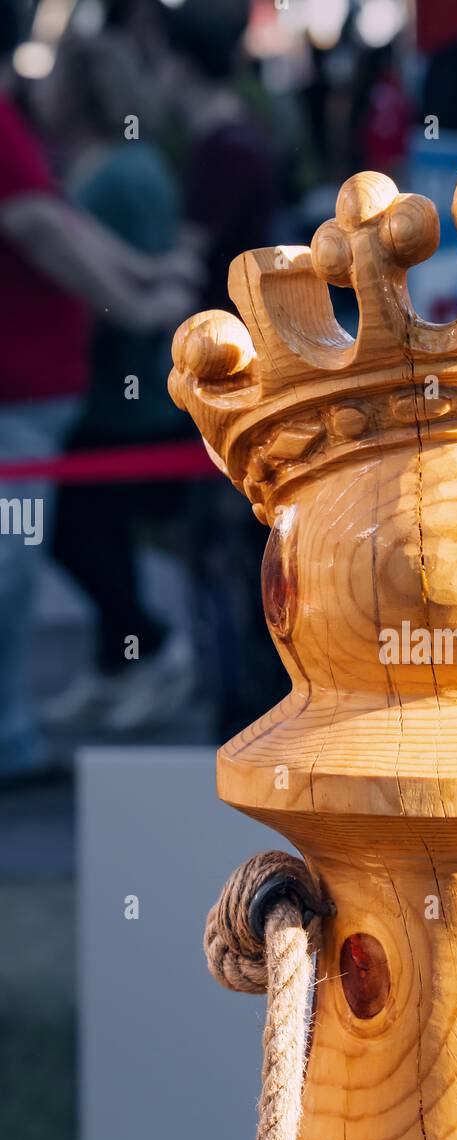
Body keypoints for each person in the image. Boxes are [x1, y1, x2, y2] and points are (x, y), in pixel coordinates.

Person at [0, 0, 196, 785]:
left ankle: (22, 727)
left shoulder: (91, 160)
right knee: (19, 566)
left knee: (25, 566)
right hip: (29, 395)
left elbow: (45, 222)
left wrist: (140, 290)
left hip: (44, 397)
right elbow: (41, 223)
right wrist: (141, 289)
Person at [153, 0, 288, 741]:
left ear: (178, 65)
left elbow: (181, 270)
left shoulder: (223, 148)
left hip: (222, 375)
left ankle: (246, 705)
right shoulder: (243, 135)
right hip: (236, 363)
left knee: (230, 555)